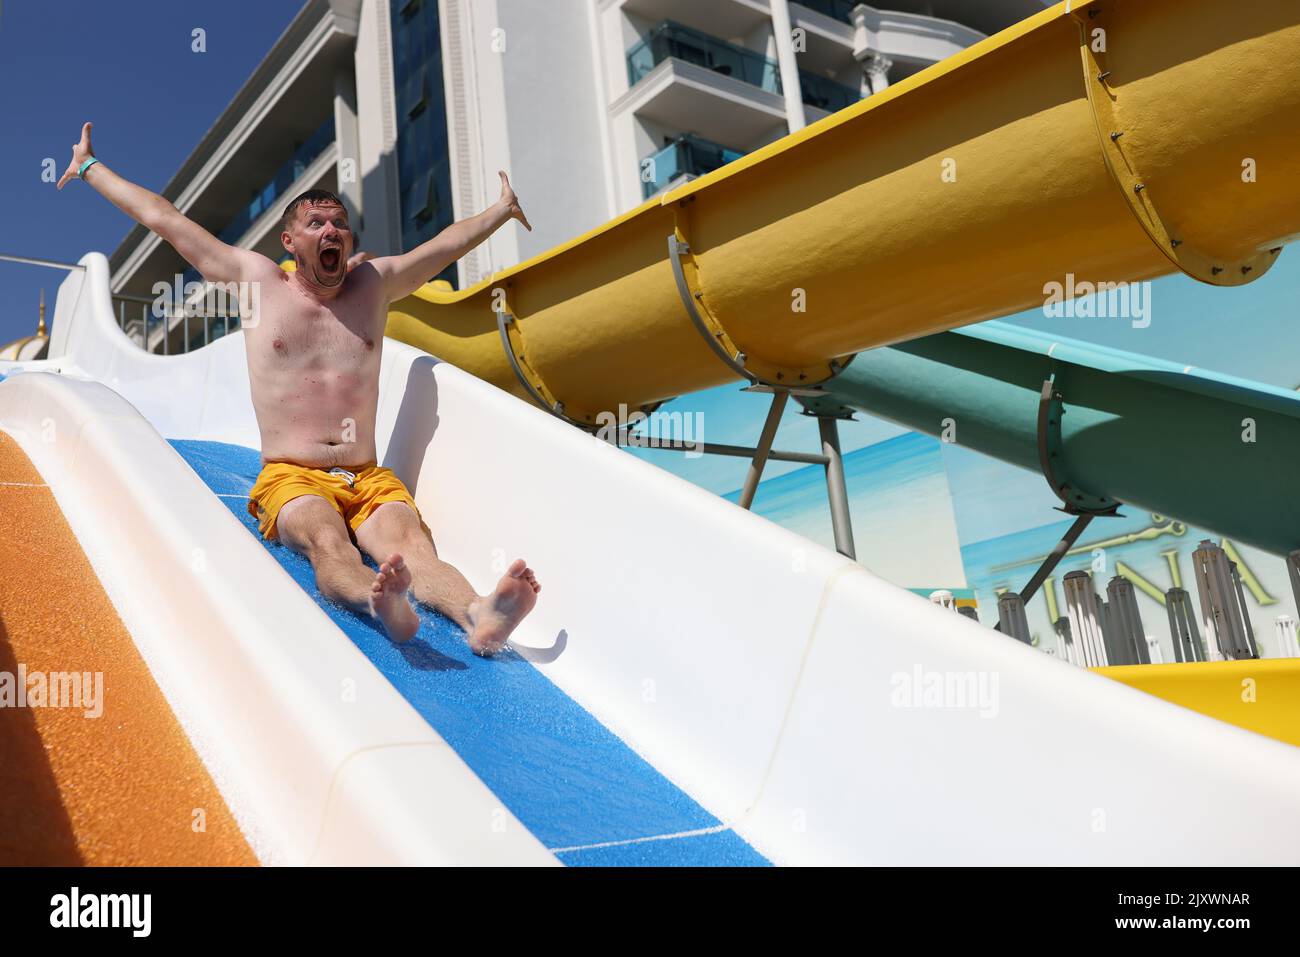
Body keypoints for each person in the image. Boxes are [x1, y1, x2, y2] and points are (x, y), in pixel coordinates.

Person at [58, 122, 540, 654]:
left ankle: (479, 615)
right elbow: (164, 218)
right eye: (316, 224)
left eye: (339, 224)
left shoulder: (373, 286)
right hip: (292, 475)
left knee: (412, 546)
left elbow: (443, 247)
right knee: (327, 540)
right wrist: (89, 168)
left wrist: (500, 210)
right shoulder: (257, 282)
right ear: (290, 242)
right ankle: (375, 599)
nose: (331, 231)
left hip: (366, 475)